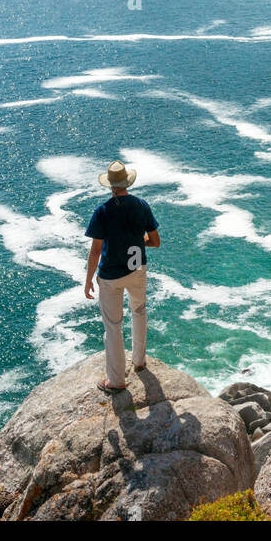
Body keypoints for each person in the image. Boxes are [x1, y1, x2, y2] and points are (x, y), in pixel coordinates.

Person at [84, 160, 160, 394]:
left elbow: (96, 250)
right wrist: (138, 241)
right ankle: (139, 361)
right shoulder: (141, 205)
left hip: (111, 275)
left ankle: (116, 381)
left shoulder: (102, 211)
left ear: (110, 186)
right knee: (139, 311)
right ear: (127, 182)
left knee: (114, 326)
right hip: (137, 268)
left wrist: (88, 280)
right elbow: (155, 241)